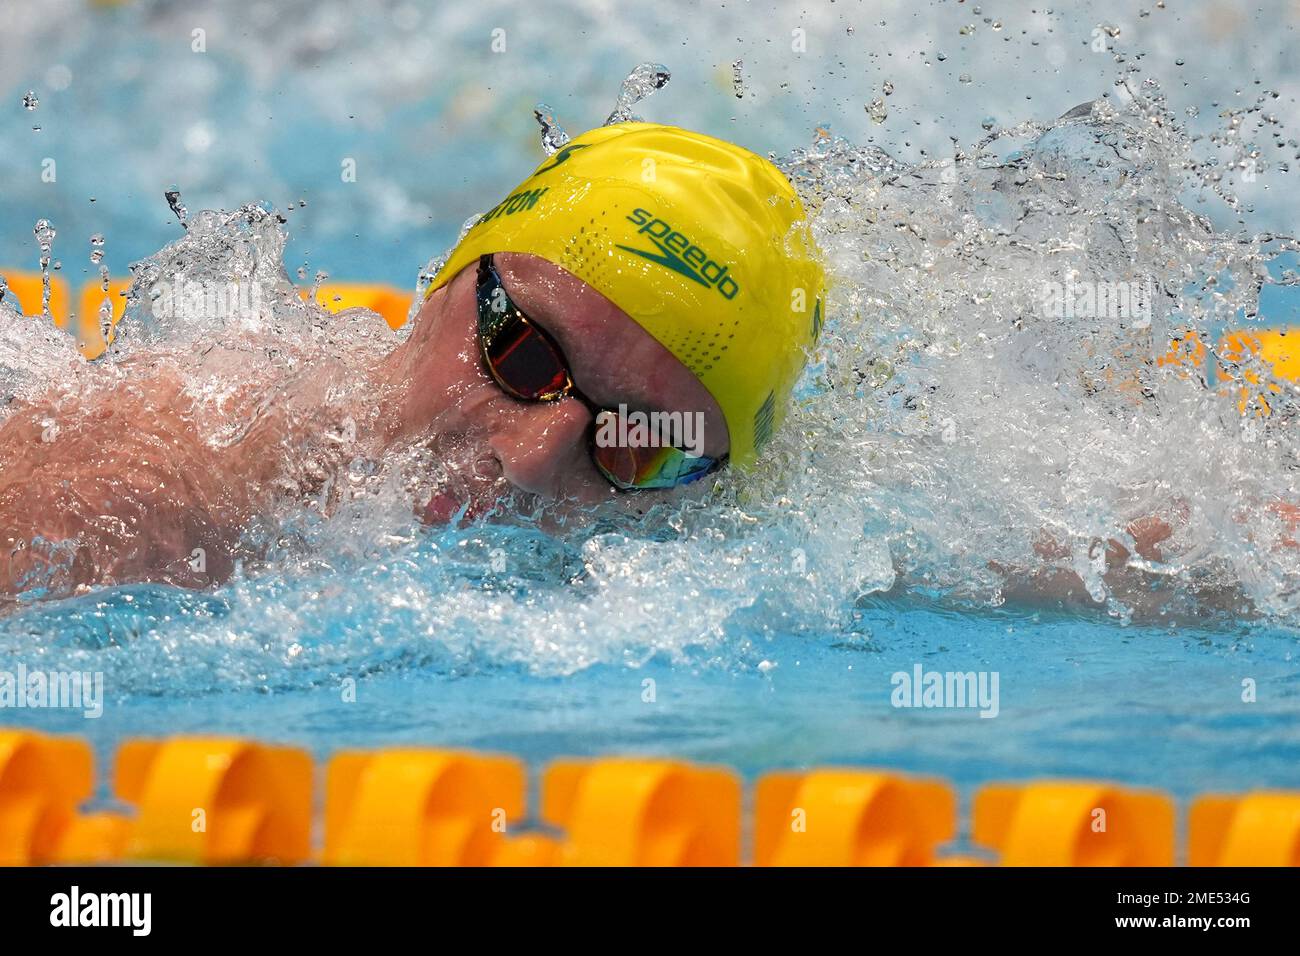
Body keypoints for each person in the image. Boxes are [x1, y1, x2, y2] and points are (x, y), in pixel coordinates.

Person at [0, 122, 827, 599]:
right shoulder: (163, 486)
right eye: (524, 355)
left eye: (634, 447)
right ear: (443, 285)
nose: (535, 462)